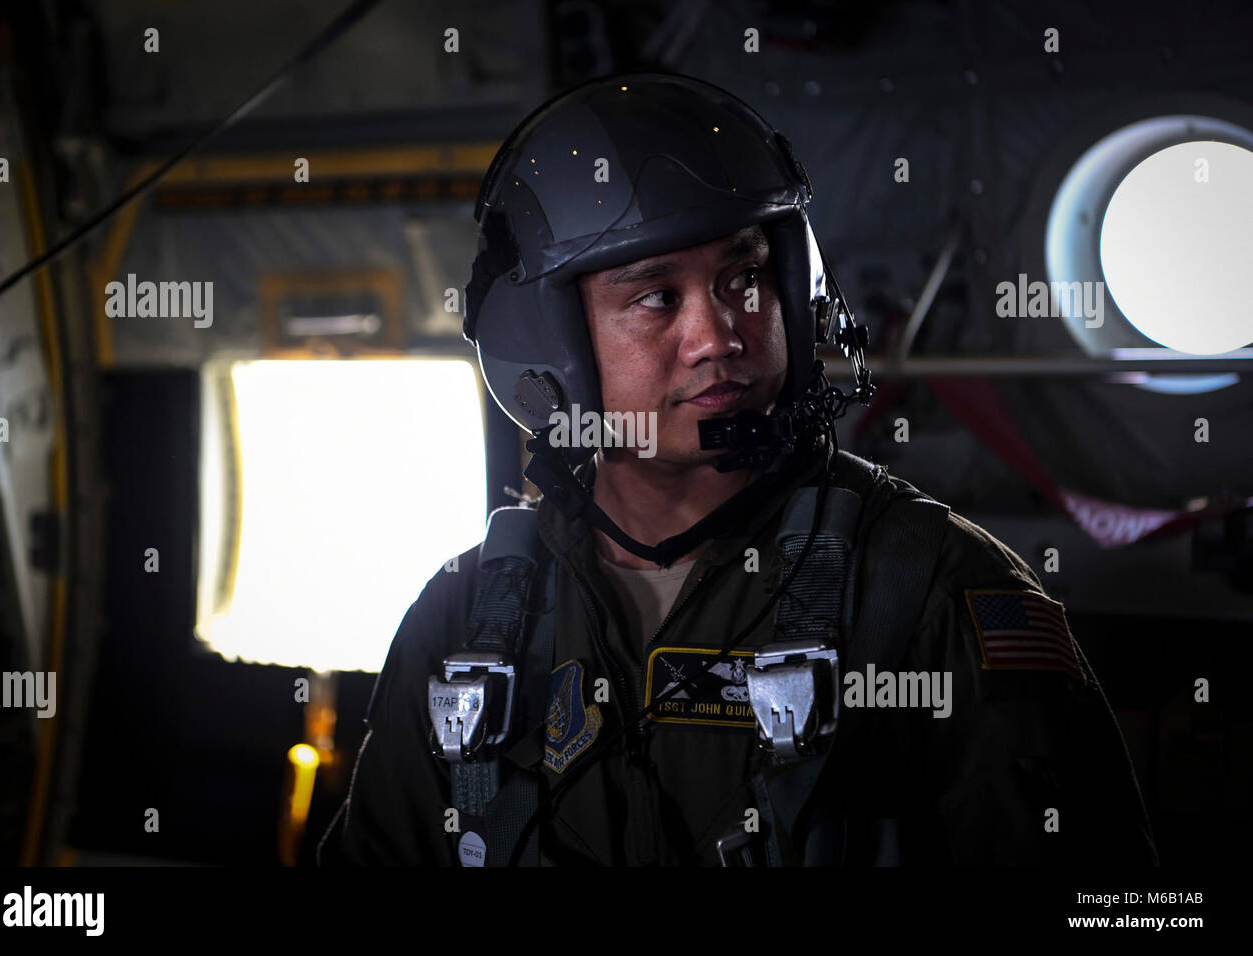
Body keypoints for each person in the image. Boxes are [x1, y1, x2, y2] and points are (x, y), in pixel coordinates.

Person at [318, 72, 1157, 866]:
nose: (720, 334)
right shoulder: (464, 621)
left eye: (746, 278)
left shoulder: (930, 591)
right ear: (547, 343)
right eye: (657, 297)